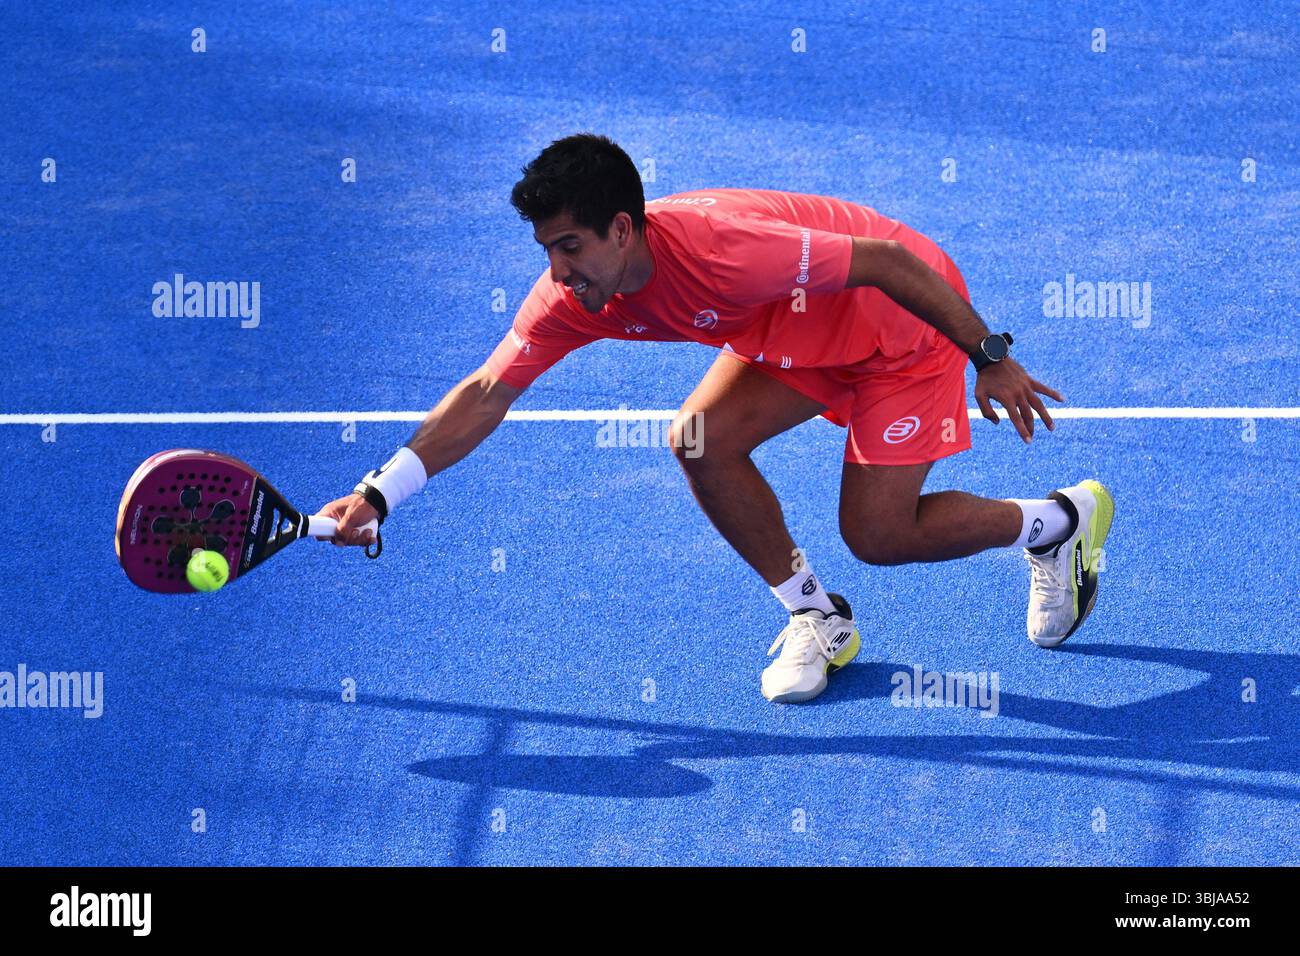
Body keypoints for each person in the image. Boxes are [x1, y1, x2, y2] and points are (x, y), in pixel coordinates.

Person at [320, 133, 1114, 704]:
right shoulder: (578, 296)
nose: (556, 271)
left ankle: (1055, 525)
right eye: (545, 251)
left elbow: (887, 260)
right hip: (792, 332)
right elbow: (490, 390)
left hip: (900, 330)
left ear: (622, 231)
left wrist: (988, 354)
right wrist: (382, 492)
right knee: (698, 439)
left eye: (568, 247)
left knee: (878, 537)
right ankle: (816, 617)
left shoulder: (724, 249)